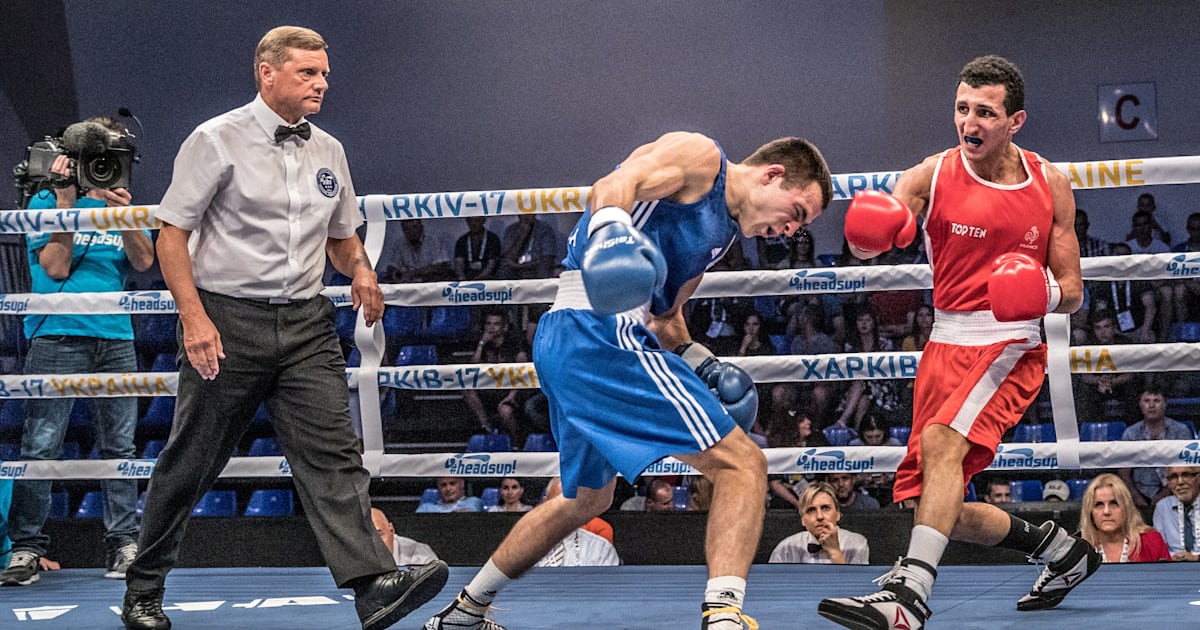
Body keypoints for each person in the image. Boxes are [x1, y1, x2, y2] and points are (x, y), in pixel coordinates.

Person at [424, 132, 832, 630]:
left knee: (587, 501)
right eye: (798, 211)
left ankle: (464, 612)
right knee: (744, 465)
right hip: (600, 330)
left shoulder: (721, 236)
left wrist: (703, 363)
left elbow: (666, 318)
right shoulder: (703, 159)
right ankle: (724, 618)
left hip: (575, 336)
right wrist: (613, 237)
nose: (791, 230)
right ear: (773, 175)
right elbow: (614, 184)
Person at [118, 26, 448, 630]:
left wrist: (363, 271)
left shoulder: (330, 149)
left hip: (305, 322)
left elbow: (342, 237)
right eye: (307, 73)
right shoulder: (215, 139)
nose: (321, 84)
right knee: (189, 462)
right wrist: (192, 317)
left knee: (334, 455)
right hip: (227, 318)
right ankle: (143, 588)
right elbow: (172, 235)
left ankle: (373, 584)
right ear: (266, 73)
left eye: (324, 74)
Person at [819, 56, 1098, 630]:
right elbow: (873, 243)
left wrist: (1037, 291)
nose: (969, 123)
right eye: (962, 109)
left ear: (1015, 120)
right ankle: (1059, 550)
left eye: (985, 113)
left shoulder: (1051, 184)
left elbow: (1071, 291)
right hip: (946, 343)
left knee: (945, 444)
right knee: (931, 502)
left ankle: (910, 594)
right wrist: (870, 243)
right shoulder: (932, 174)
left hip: (1011, 344)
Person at [1, 116, 153, 588]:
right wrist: (67, 204)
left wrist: (124, 216)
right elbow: (56, 266)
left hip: (115, 335)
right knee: (41, 445)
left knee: (120, 447)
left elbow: (145, 261)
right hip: (56, 333)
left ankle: (124, 543)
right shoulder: (43, 201)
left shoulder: (119, 200)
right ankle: (26, 548)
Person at [1118, 386, 1195, 507]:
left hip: (1174, 493)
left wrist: (1165, 493)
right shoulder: (1131, 433)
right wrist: (1136, 497)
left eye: (1157, 401)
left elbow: (1188, 470)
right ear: (1140, 405)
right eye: (1147, 401)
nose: (1152, 405)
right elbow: (1124, 473)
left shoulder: (1181, 431)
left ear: (1165, 404)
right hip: (1138, 496)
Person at [461, 308, 530, 436]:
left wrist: (511, 397)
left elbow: (523, 373)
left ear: (504, 327)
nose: (491, 327)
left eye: (496, 324)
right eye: (488, 323)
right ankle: (487, 428)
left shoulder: (515, 343)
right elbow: (471, 368)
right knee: (466, 388)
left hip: (513, 390)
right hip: (492, 387)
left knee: (505, 410)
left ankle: (517, 442)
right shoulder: (483, 343)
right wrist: (481, 344)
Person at [769, 482, 869, 565]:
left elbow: (854, 587)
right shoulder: (786, 548)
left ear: (838, 514)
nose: (819, 516)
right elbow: (772, 586)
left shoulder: (856, 544)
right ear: (803, 520)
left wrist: (835, 553)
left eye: (825, 508)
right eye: (811, 510)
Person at [1079, 473, 1170, 563]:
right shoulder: (1080, 550)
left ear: (1126, 508)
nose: (1106, 512)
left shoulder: (1152, 541)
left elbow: (1169, 576)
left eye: (1114, 504)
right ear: (1090, 512)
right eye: (1099, 505)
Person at [534, 478, 620, 567]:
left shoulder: (600, 548)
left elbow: (606, 580)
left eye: (570, 504)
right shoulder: (522, 546)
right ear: (544, 503)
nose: (563, 510)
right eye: (557, 503)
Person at [377, 218, 454, 283]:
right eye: (407, 229)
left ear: (421, 227)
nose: (411, 232)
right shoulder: (399, 244)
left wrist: (413, 273)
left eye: (414, 227)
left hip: (429, 284)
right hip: (407, 286)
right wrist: (396, 274)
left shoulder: (433, 241)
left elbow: (441, 266)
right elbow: (391, 265)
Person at [1152, 466, 1200, 561]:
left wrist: (1196, 558)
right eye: (1173, 477)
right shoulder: (1163, 506)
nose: (1180, 482)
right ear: (1169, 484)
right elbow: (1159, 546)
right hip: (1173, 566)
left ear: (1198, 478)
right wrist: (1171, 558)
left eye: (1186, 475)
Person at [499, 214, 564, 280]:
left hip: (535, 268)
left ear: (534, 214)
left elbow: (547, 259)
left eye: (529, 214)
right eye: (523, 214)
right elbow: (507, 257)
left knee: (544, 269)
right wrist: (522, 236)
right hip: (515, 269)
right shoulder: (511, 230)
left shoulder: (545, 229)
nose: (526, 216)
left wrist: (519, 266)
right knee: (504, 269)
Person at [371, 508, 439, 567]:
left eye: (378, 534)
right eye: (364, 536)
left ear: (391, 531)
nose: (373, 543)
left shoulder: (418, 556)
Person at [453, 216, 503, 281]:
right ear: (467, 221)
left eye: (477, 220)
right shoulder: (462, 240)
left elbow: (491, 264)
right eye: (471, 220)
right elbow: (459, 262)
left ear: (483, 221)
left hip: (488, 278)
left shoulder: (492, 239)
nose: (473, 224)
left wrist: (477, 281)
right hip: (467, 277)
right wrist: (462, 279)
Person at [417, 476, 483, 513]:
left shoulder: (474, 502)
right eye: (443, 485)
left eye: (452, 484)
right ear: (438, 487)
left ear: (462, 484)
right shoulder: (426, 508)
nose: (448, 489)